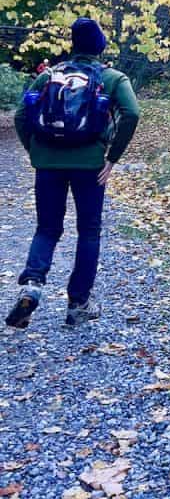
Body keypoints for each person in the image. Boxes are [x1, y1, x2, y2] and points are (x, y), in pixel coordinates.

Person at [5, 18, 140, 330]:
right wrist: (112, 157)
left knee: (47, 229)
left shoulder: (51, 75)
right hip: (91, 165)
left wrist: (35, 151)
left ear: (73, 46)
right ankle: (78, 303)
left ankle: (32, 286)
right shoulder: (112, 77)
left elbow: (22, 114)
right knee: (89, 231)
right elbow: (131, 113)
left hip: (48, 164)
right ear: (100, 47)